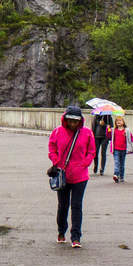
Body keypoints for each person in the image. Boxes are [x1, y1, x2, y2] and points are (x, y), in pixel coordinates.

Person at [48, 104, 95, 248]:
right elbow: (52, 148)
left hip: (80, 176)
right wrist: (56, 161)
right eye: (70, 121)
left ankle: (76, 237)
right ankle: (61, 231)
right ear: (65, 120)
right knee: (63, 205)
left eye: (75, 121)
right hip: (63, 175)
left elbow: (91, 151)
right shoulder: (57, 132)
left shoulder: (87, 133)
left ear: (80, 121)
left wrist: (84, 163)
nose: (73, 124)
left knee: (76, 205)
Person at [110, 117, 133, 182]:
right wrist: (108, 130)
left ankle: (122, 177)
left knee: (122, 164)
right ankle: (116, 174)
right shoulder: (114, 130)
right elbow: (109, 137)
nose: (118, 122)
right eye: (117, 121)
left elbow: (131, 138)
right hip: (116, 149)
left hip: (123, 149)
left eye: (120, 120)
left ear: (123, 122)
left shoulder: (126, 130)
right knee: (117, 162)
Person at [90, 109, 111, 176]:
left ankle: (102, 168)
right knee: (95, 152)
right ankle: (96, 165)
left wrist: (105, 125)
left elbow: (111, 127)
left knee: (103, 153)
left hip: (105, 137)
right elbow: (93, 127)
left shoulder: (108, 117)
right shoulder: (96, 116)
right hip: (96, 136)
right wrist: (92, 136)